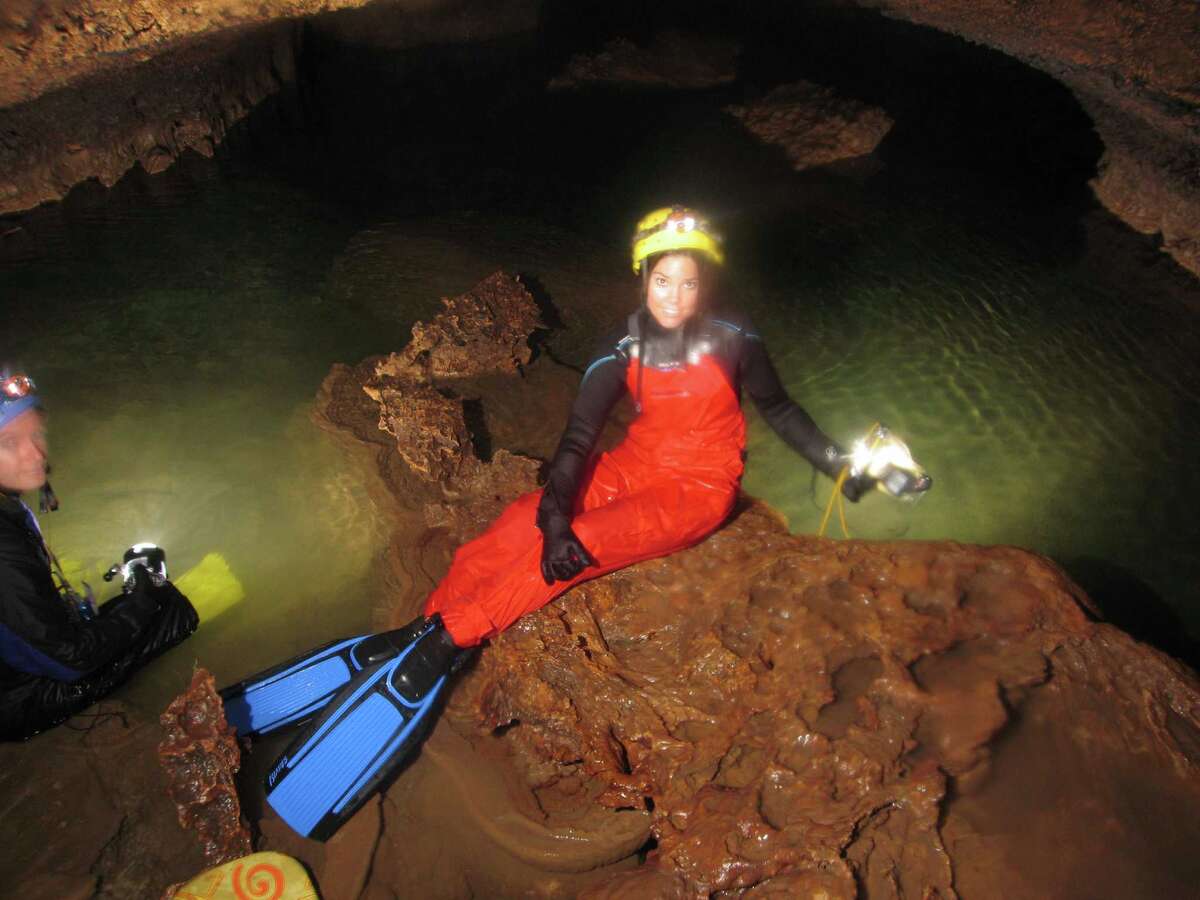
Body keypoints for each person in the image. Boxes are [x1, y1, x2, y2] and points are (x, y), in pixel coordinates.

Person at [230, 206, 875, 841]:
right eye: (661, 280)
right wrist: (554, 513)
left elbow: (782, 410)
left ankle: (447, 642)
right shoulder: (624, 343)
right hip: (634, 464)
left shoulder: (736, 334)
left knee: (584, 546)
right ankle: (423, 624)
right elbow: (579, 437)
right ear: (642, 277)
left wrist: (842, 462)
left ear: (705, 283)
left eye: (688, 281)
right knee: (518, 524)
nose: (674, 296)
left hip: (700, 488)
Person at [0, 372, 198, 741]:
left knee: (126, 610)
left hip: (23, 666)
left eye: (36, 434)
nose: (37, 453)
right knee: (173, 611)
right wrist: (146, 596)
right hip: (17, 703)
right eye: (10, 442)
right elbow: (71, 661)